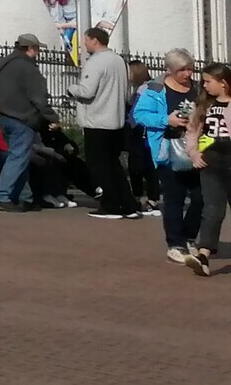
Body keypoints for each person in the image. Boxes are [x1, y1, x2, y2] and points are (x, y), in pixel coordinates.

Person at [134, 49, 207, 263]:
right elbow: (140, 115)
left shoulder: (199, 88)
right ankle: (175, 244)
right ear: (170, 70)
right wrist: (167, 120)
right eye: (181, 70)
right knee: (174, 197)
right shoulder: (155, 89)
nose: (187, 74)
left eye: (190, 69)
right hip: (168, 150)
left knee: (201, 197)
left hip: (197, 148)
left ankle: (189, 236)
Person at [67, 23, 136, 217]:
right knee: (114, 164)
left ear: (95, 40)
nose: (84, 44)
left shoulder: (96, 62)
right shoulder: (119, 61)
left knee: (99, 166)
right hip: (116, 119)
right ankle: (128, 204)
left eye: (86, 40)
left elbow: (87, 91)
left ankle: (111, 205)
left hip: (97, 120)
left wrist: (72, 90)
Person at [0, 34, 55, 210]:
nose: (38, 53)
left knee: (18, 158)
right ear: (30, 49)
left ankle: (20, 196)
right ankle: (2, 195)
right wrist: (51, 117)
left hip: (3, 115)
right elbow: (39, 97)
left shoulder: (3, 64)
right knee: (18, 158)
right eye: (37, 49)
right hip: (22, 117)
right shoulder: (27, 68)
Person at [184, 63, 231, 278]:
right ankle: (203, 255)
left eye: (208, 81)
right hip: (211, 163)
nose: (204, 85)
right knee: (213, 209)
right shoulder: (203, 105)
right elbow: (192, 131)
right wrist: (193, 153)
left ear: (224, 83)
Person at [123, 60, 162, 213]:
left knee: (138, 166)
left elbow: (135, 114)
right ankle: (151, 199)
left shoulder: (143, 89)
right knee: (148, 166)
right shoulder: (151, 86)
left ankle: (142, 198)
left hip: (140, 131)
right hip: (147, 131)